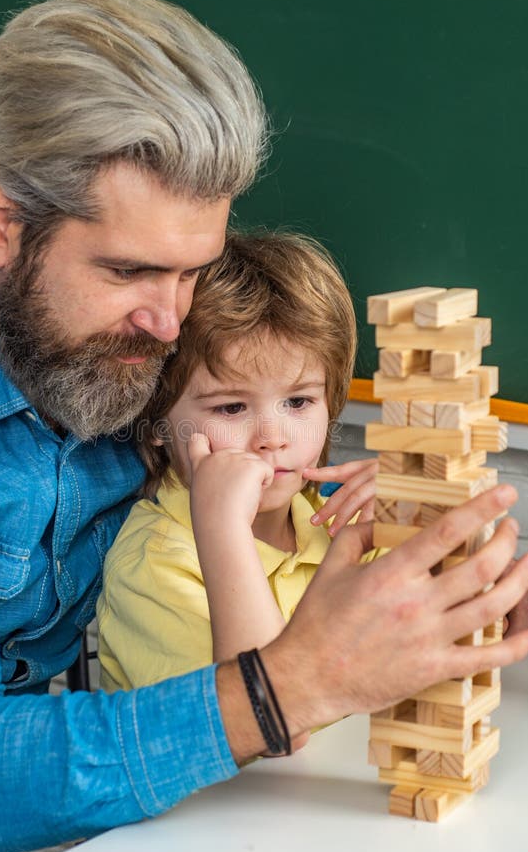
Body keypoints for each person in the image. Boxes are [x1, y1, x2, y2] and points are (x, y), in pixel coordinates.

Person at [0, 0, 528, 852]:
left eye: (191, 272)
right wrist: (298, 678)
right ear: (2, 223)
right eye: (131, 270)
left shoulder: (103, 344)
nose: (169, 325)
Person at [97, 230, 381, 693]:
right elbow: (265, 726)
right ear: (154, 421)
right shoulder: (155, 567)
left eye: (299, 401)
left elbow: (460, 635)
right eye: (231, 408)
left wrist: (426, 514)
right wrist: (223, 529)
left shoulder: (334, 520)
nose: (272, 438)